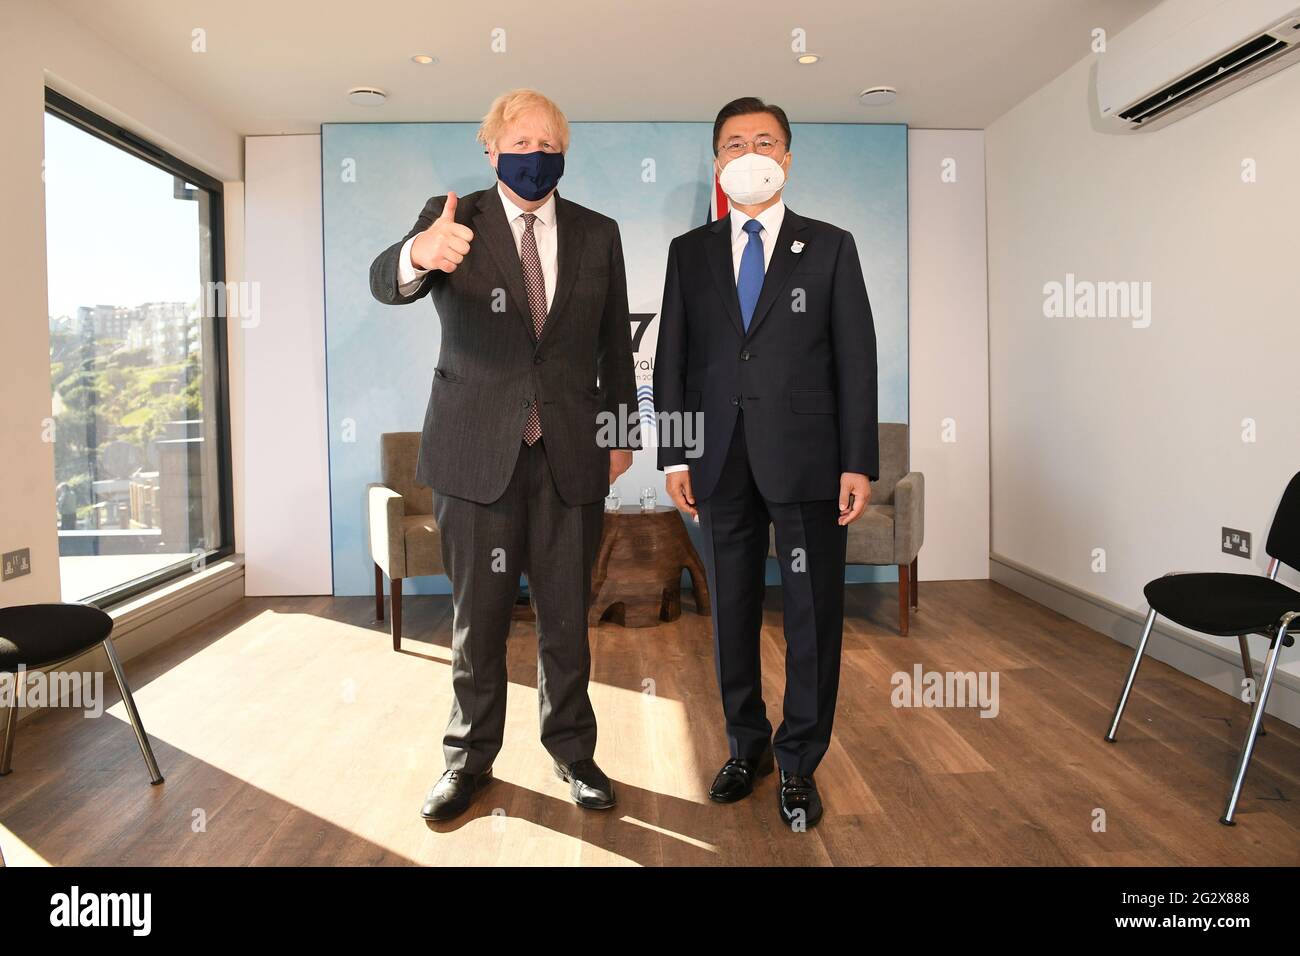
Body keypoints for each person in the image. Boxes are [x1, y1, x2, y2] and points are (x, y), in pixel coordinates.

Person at [370, 89, 638, 822]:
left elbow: (616, 343)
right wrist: (417, 254)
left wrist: (620, 434)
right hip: (472, 454)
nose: (534, 153)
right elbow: (387, 283)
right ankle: (466, 761)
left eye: (548, 141)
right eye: (518, 141)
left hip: (571, 456)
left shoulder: (598, 232)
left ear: (565, 150)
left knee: (565, 620)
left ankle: (574, 754)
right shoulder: (453, 218)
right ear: (489, 148)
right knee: (477, 620)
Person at [653, 96, 879, 829]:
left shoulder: (832, 245)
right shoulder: (689, 252)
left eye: (764, 141)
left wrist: (858, 461)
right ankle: (745, 747)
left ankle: (799, 763)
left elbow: (856, 360)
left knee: (812, 616)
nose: (749, 152)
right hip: (717, 462)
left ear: (786, 157)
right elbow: (675, 361)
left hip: (810, 464)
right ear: (717, 161)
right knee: (732, 615)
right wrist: (675, 453)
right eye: (733, 143)